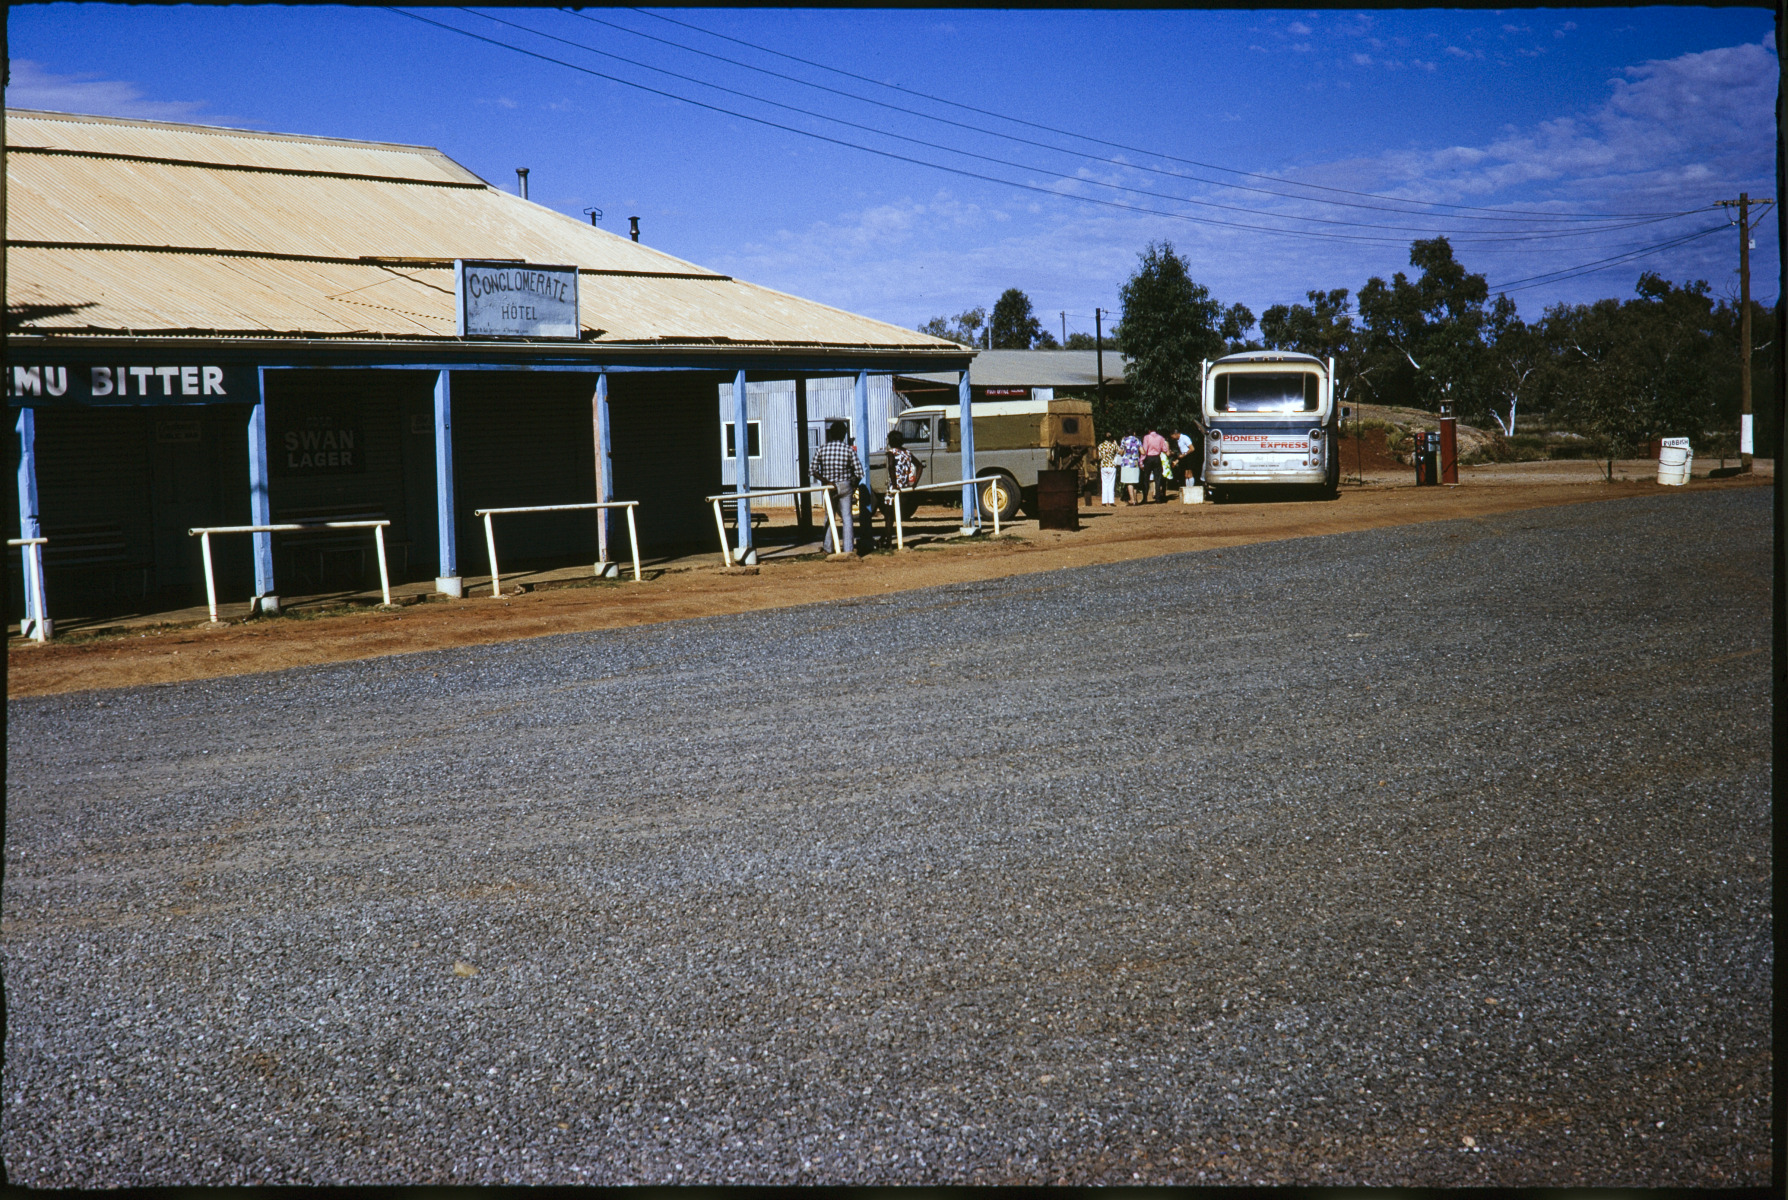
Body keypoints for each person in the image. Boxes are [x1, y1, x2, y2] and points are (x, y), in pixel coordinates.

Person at [812, 419, 861, 554]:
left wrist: (826, 481)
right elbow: (859, 472)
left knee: (829, 516)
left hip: (829, 486)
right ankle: (848, 549)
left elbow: (812, 470)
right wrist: (853, 485)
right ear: (844, 434)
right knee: (847, 518)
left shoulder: (822, 449)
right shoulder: (848, 450)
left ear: (831, 434)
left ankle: (828, 547)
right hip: (845, 485)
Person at [883, 429, 922, 533]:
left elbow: (891, 467)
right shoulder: (907, 453)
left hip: (893, 487)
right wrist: (915, 483)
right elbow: (919, 466)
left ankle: (888, 539)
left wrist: (895, 484)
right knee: (897, 514)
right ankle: (885, 538)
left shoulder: (892, 453)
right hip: (904, 487)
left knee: (888, 515)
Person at [1140, 428, 1171, 501]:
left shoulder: (1146, 437)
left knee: (1146, 478)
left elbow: (1144, 449)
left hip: (1148, 458)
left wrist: (1141, 461)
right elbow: (1164, 449)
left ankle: (1145, 498)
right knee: (1158, 478)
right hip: (1157, 458)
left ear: (1149, 430)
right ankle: (1158, 497)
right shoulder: (1161, 438)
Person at [1117, 431, 1143, 504]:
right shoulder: (1137, 440)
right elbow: (1142, 451)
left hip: (1127, 463)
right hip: (1135, 463)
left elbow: (1121, 452)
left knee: (1129, 482)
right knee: (1134, 482)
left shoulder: (1124, 440)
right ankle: (1135, 499)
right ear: (1134, 433)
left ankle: (1132, 500)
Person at [1095, 432, 1120, 506]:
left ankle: (1104, 501)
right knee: (1111, 483)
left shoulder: (1100, 446)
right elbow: (1121, 452)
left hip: (1103, 466)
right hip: (1111, 466)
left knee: (1104, 483)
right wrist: (1116, 444)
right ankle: (1111, 501)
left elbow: (1098, 457)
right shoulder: (1113, 446)